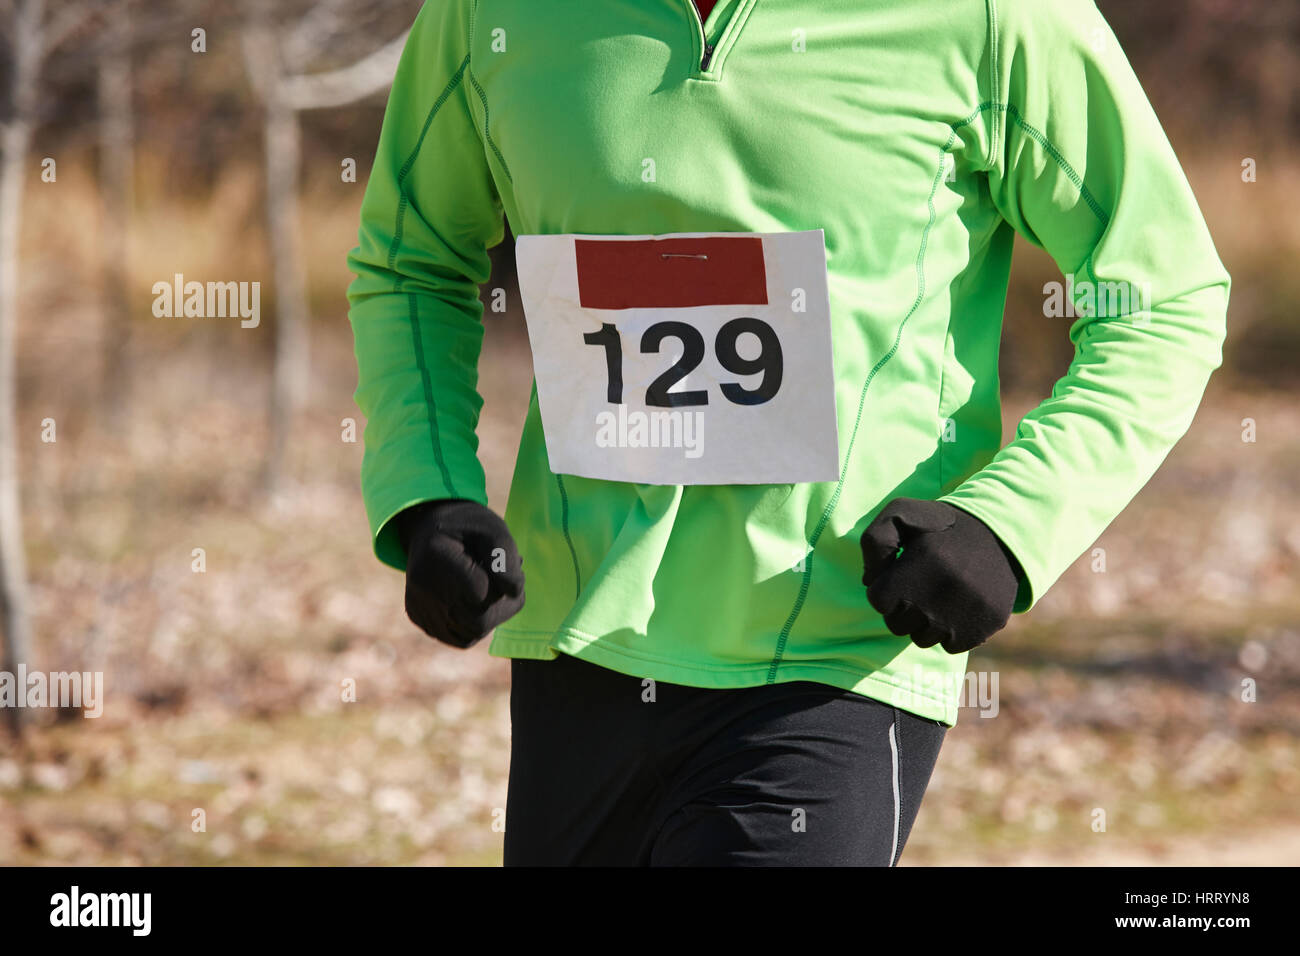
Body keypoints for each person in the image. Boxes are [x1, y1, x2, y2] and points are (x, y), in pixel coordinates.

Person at [346, 0, 1229, 866]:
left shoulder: (996, 17)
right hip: (577, 643)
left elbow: (1164, 299)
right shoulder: (487, 15)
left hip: (837, 651)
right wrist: (428, 485)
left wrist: (1013, 522)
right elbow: (410, 263)